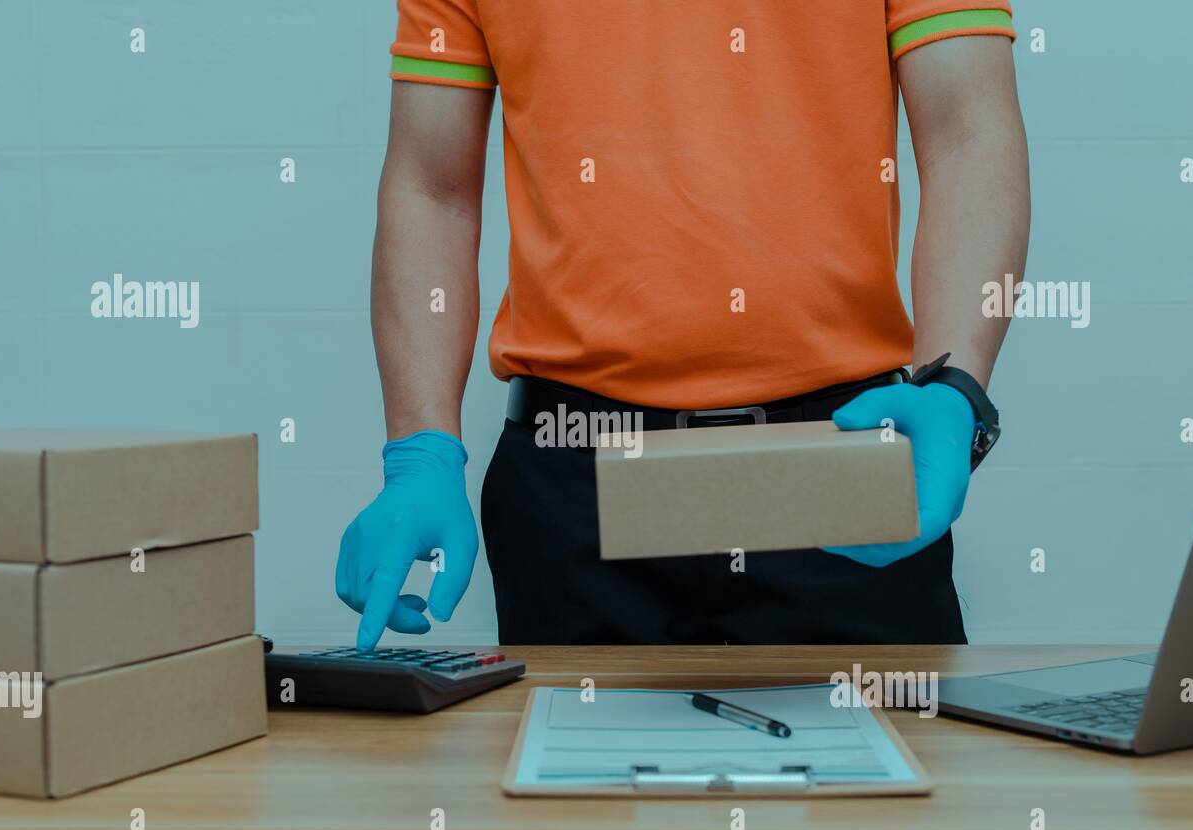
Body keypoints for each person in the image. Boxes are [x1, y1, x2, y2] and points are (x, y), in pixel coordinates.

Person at [336, 1, 1030, 649]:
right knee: (574, 775)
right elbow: (433, 187)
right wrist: (419, 448)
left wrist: (954, 387)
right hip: (577, 481)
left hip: (839, 458)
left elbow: (968, 136)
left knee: (892, 773)